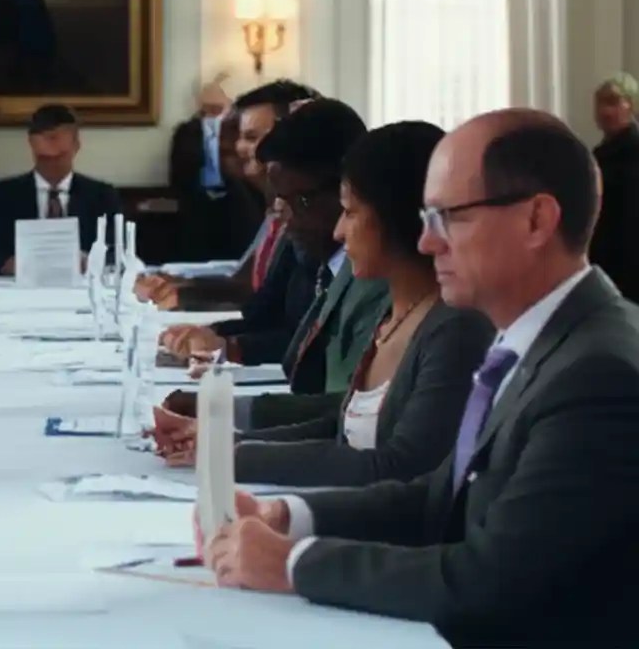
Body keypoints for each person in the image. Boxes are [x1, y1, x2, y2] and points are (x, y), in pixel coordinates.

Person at [209, 110, 639, 647]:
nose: (428, 242)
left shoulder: (598, 375)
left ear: (536, 221)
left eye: (448, 217)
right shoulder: (534, 337)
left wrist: (293, 563)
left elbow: (489, 580)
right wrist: (287, 515)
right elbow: (441, 498)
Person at [155, 123, 493, 489]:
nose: (338, 231)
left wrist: (233, 456)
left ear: (394, 216)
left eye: (350, 212)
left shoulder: (455, 328)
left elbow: (401, 465)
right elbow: (343, 425)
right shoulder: (394, 313)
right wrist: (224, 440)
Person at [162, 99, 387, 417]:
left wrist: (226, 409)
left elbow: (348, 411)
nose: (286, 219)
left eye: (301, 201)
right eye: (280, 201)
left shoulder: (371, 279)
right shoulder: (319, 253)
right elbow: (266, 315)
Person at [139, 80, 320, 311]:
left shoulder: (307, 215)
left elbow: (262, 297)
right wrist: (174, 284)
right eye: (239, 136)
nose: (238, 147)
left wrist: (181, 293)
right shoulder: (275, 206)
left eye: (251, 137)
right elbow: (245, 279)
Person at [0, 104, 123, 276]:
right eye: (44, 158)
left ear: (76, 145)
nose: (52, 165)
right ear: (31, 145)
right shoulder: (4, 194)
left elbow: (119, 251)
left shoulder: (102, 195)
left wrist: (92, 262)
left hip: (82, 284)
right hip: (20, 285)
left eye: (60, 156)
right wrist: (5, 265)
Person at [168, 74, 265, 262]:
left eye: (217, 107)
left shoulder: (239, 130)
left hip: (239, 201)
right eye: (207, 107)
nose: (212, 114)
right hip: (198, 202)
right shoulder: (187, 132)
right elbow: (178, 171)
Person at [589, 71, 639, 304]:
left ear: (631, 105)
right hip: (605, 256)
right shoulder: (598, 155)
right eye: (600, 103)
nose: (605, 111)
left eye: (613, 102)